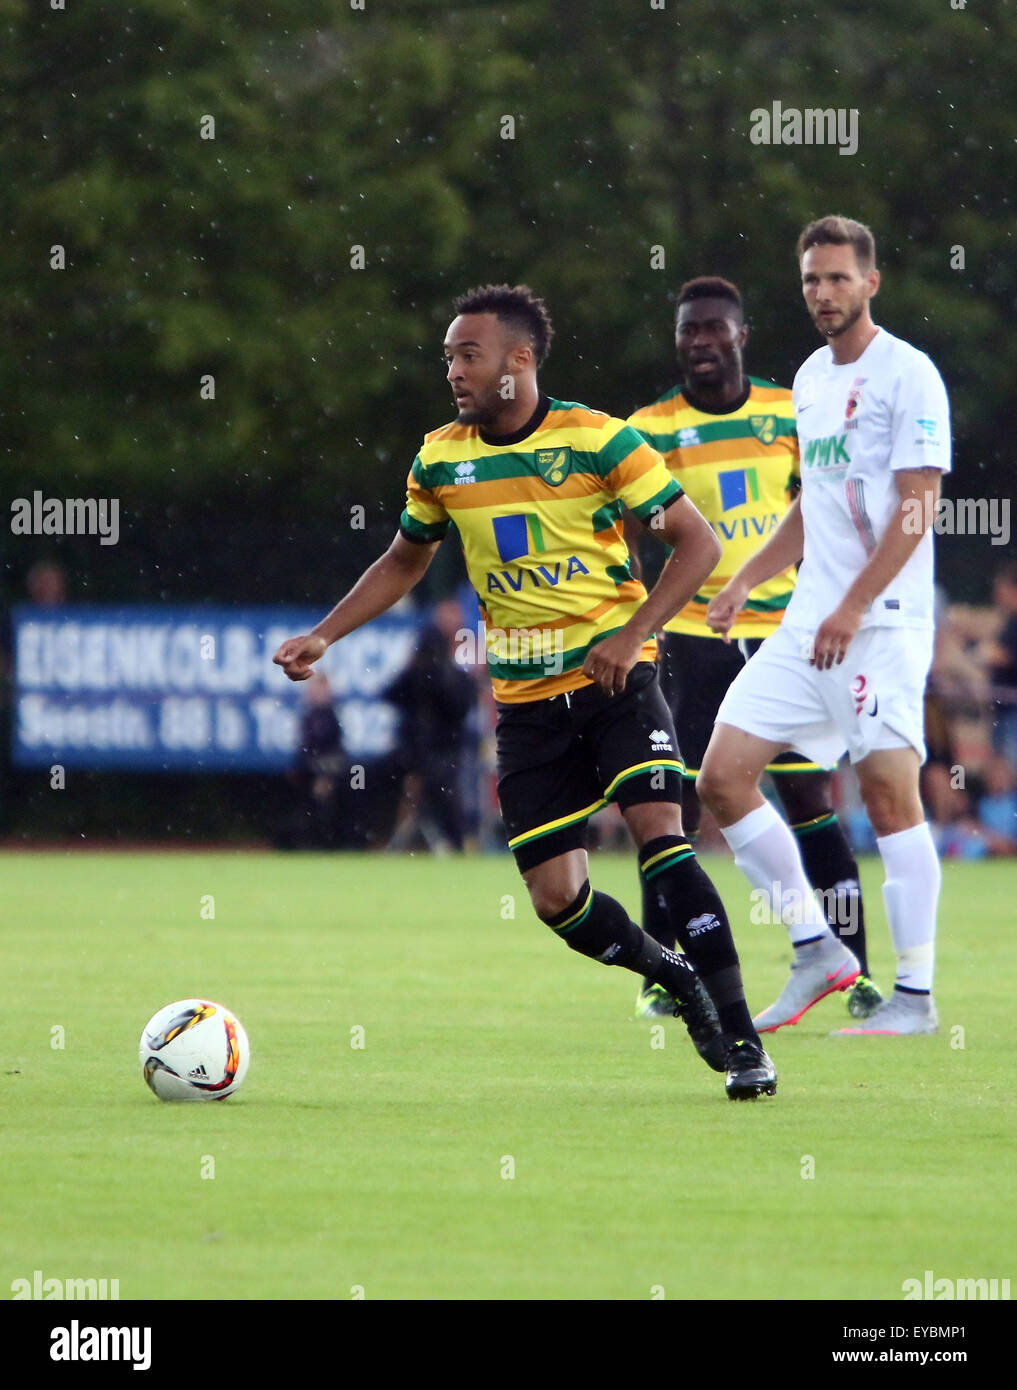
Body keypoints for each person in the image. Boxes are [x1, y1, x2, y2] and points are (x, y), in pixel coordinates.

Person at [274, 283, 776, 1099]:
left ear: (520, 359)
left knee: (662, 838)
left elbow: (696, 543)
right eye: (447, 357)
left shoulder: (599, 441)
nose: (453, 371)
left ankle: (744, 1037)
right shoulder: (440, 457)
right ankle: (675, 977)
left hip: (617, 682)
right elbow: (405, 560)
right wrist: (326, 633)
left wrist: (630, 633)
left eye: (467, 355)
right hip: (527, 708)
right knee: (555, 901)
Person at [697, 216, 951, 1037]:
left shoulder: (909, 374)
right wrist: (742, 579)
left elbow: (917, 507)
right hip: (809, 625)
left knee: (886, 796)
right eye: (811, 279)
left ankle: (913, 997)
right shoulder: (806, 378)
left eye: (838, 278)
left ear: (870, 282)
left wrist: (852, 606)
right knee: (722, 777)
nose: (823, 293)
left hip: (879, 627)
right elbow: (812, 502)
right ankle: (816, 948)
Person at [627, 276, 881, 1024]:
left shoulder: (787, 410)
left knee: (809, 796)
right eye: (686, 331)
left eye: (712, 328)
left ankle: (852, 965)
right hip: (687, 641)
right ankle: (662, 970)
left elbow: (826, 508)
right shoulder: (649, 426)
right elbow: (629, 533)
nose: (699, 342)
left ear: (740, 336)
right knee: (666, 799)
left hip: (783, 635)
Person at [383, 622, 475, 852]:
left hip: (442, 752)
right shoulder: (416, 677)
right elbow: (389, 694)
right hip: (417, 753)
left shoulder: (450, 677)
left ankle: (451, 843)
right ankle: (439, 841)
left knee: (443, 798)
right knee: (433, 796)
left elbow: (460, 706)